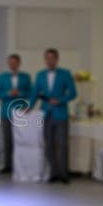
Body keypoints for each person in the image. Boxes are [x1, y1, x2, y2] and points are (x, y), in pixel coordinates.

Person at [31, 48, 77, 183]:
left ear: (57, 60)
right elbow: (35, 93)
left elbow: (73, 93)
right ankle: (53, 172)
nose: (49, 61)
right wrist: (29, 107)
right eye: (47, 59)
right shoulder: (40, 75)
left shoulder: (65, 74)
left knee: (62, 144)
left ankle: (64, 174)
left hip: (60, 113)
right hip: (45, 113)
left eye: (52, 58)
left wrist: (60, 100)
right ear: (45, 60)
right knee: (49, 144)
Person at [0, 54, 31, 174]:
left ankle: (19, 165)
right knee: (7, 139)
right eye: (10, 62)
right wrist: (9, 93)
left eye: (15, 62)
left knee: (20, 139)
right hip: (6, 112)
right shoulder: (3, 77)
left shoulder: (26, 77)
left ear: (19, 63)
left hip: (21, 113)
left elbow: (30, 92)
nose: (12, 65)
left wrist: (19, 93)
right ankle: (8, 165)